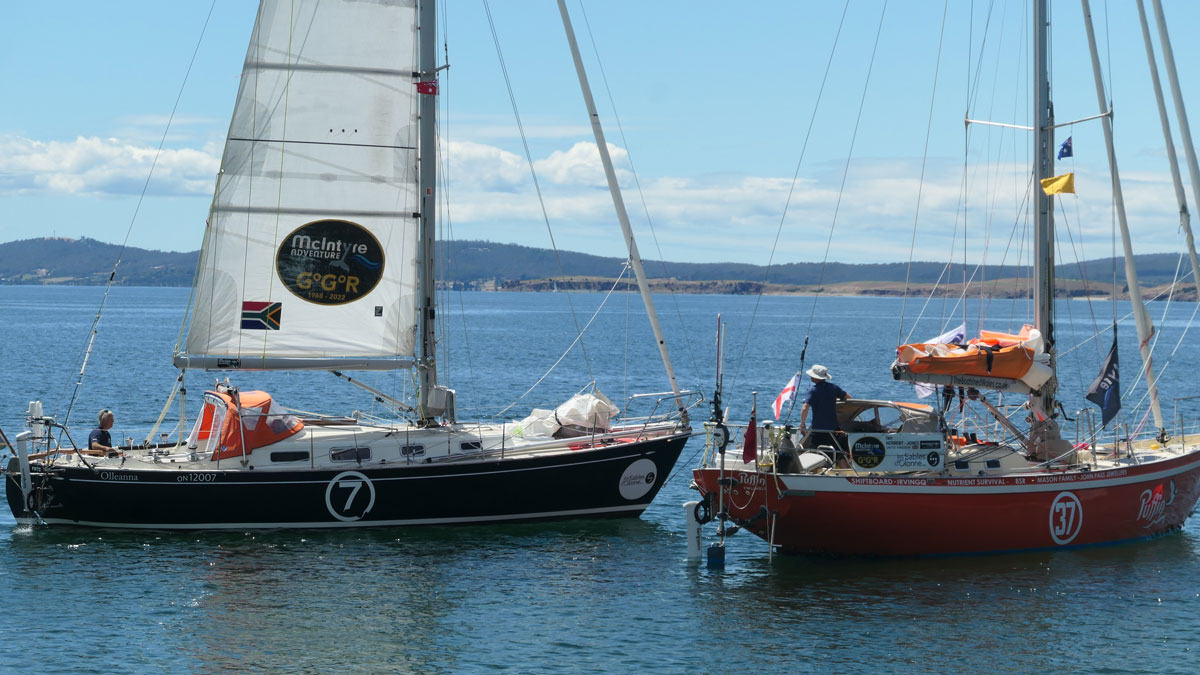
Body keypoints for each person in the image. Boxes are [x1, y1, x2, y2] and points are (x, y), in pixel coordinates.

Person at [797, 365, 850, 466]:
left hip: (818, 431)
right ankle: (845, 474)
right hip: (833, 430)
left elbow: (805, 408)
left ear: (816, 377)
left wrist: (802, 424)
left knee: (813, 454)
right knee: (839, 455)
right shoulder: (834, 388)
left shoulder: (813, 390)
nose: (810, 377)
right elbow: (849, 398)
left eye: (812, 375)